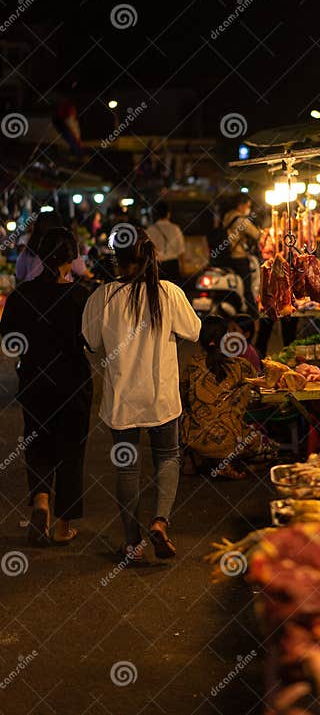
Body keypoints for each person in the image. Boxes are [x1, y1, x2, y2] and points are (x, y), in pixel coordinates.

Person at [82, 225, 201, 561]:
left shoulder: (102, 297)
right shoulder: (169, 293)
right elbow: (193, 331)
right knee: (167, 457)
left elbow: (91, 343)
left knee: (127, 468)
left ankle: (132, 544)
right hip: (161, 396)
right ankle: (160, 522)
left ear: (116, 259)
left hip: (122, 400)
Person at [0, 228, 93, 546]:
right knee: (71, 449)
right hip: (73, 384)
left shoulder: (21, 296)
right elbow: (92, 342)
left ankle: (41, 503)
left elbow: (9, 341)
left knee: (37, 443)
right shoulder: (81, 296)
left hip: (35, 381)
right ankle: (64, 524)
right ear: (72, 259)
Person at [180, 316, 274, 480]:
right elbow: (263, 389)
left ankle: (199, 459)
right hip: (233, 440)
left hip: (195, 437)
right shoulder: (242, 366)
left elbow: (183, 398)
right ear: (227, 338)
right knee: (271, 449)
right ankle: (228, 462)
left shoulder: (192, 364)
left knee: (184, 416)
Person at [16, 211, 92, 283]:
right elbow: (82, 271)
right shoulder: (65, 246)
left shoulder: (30, 249)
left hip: (33, 293)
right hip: (61, 291)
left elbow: (19, 274)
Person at [221, 194, 260, 317]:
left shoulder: (228, 215)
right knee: (247, 286)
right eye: (248, 205)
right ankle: (251, 314)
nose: (248, 208)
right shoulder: (240, 220)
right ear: (241, 205)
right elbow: (256, 234)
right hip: (238, 256)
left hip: (227, 256)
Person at [146, 201, 185, 284]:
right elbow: (181, 250)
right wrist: (183, 268)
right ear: (168, 214)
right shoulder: (175, 229)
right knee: (173, 293)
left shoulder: (150, 230)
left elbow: (148, 251)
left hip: (158, 266)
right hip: (173, 265)